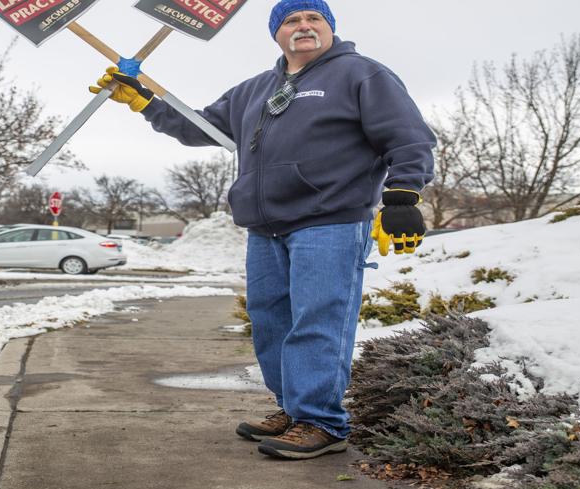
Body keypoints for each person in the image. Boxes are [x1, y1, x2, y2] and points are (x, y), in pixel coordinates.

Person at [92, 0, 435, 460]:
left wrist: (402, 196)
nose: (304, 26)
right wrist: (145, 101)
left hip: (329, 220)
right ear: (277, 34)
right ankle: (292, 409)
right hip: (265, 226)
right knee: (271, 323)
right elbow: (200, 128)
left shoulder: (361, 75)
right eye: (292, 20)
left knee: (318, 321)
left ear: (330, 28)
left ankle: (322, 422)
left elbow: (407, 136)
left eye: (314, 18)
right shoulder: (254, 89)